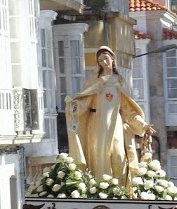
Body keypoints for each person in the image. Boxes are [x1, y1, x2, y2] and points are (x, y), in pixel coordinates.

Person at [64, 46, 155, 186]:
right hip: (96, 124)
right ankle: (99, 188)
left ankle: (119, 190)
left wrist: (142, 125)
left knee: (119, 156)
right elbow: (85, 101)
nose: (104, 62)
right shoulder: (95, 82)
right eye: (100, 60)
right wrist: (74, 106)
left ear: (112, 59)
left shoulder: (120, 81)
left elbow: (128, 110)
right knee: (98, 157)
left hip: (115, 123)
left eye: (106, 58)